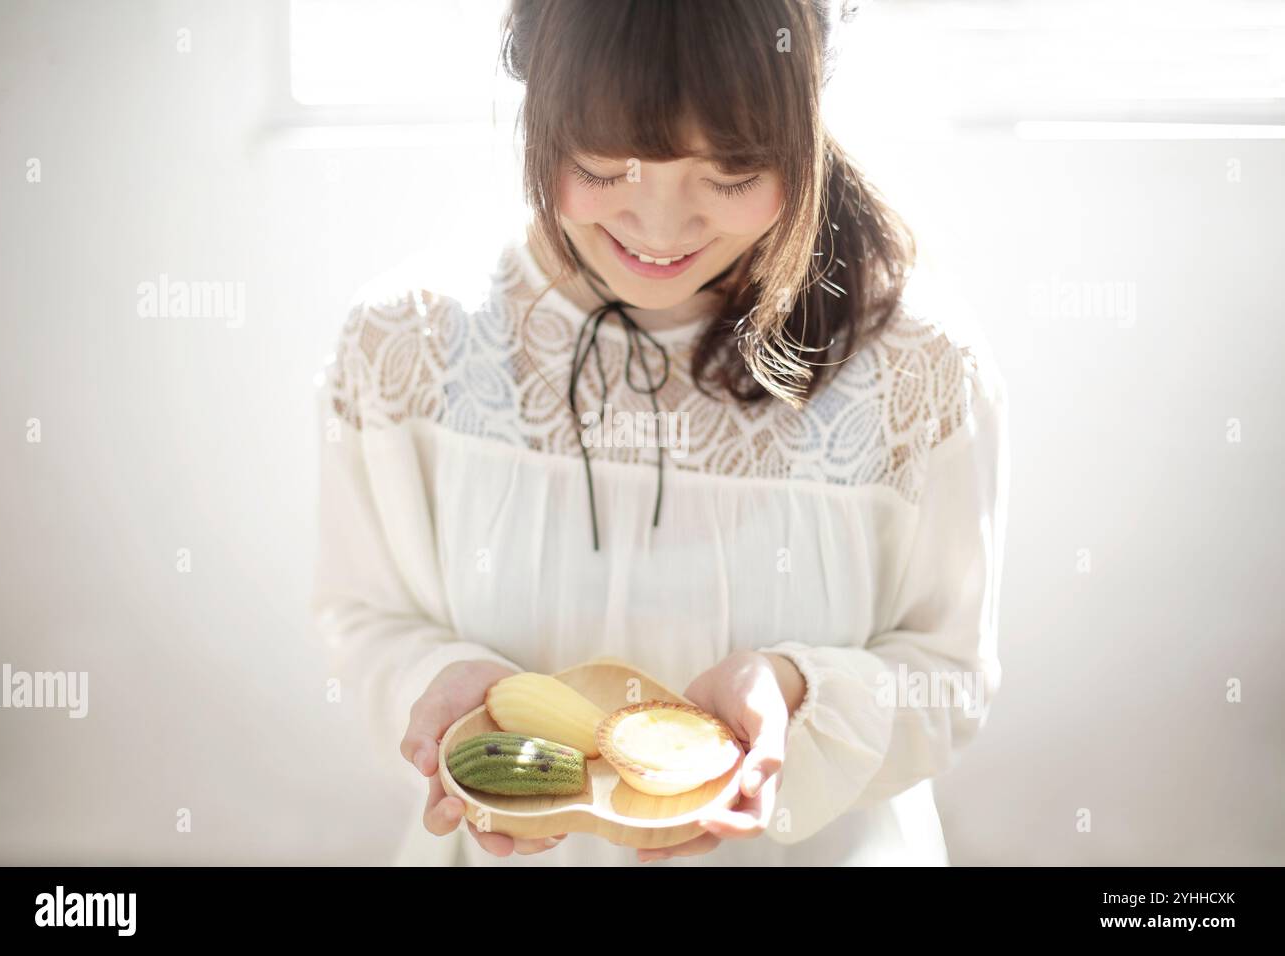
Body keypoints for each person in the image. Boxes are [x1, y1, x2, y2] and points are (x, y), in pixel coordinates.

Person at [311, 0, 1009, 866]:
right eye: (607, 167)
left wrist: (798, 693)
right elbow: (365, 618)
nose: (663, 230)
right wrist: (438, 692)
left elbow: (949, 673)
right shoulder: (408, 346)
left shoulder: (916, 363)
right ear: (533, 93)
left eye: (729, 176)